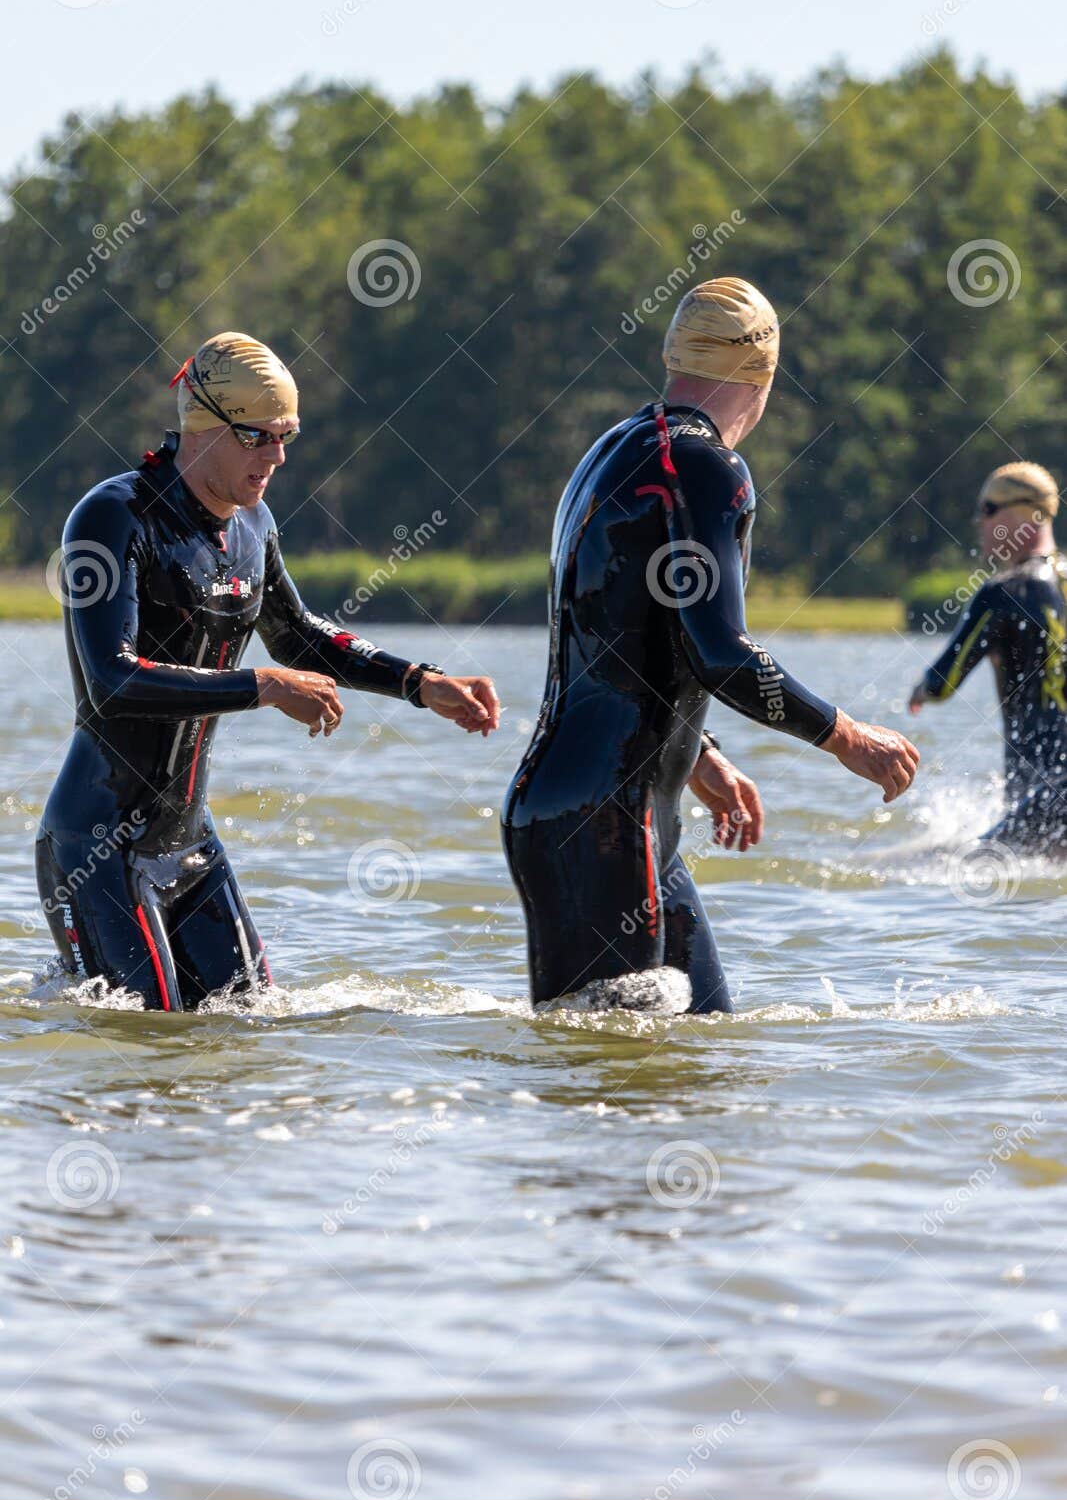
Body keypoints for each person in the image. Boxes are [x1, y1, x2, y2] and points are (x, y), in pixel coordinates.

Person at [36, 331, 500, 1011]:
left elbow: (300, 636)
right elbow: (114, 680)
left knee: (254, 1030)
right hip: (99, 848)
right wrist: (262, 689)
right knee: (145, 1044)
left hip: (189, 846)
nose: (278, 458)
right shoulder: (115, 517)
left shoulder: (253, 523)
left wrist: (419, 682)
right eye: (260, 437)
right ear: (205, 427)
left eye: (288, 437)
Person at [503, 278, 919, 1013]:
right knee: (623, 1091)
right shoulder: (704, 466)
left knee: (700, 1047)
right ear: (763, 372)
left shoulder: (618, 447)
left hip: (594, 810)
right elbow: (722, 651)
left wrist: (700, 753)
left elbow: (617, 633)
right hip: (608, 818)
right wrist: (844, 735)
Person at [909, 461, 1067, 851]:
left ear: (1025, 511)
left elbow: (942, 684)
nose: (980, 522)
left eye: (988, 510)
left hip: (1045, 799)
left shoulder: (1004, 591)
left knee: (923, 868)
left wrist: (920, 691)